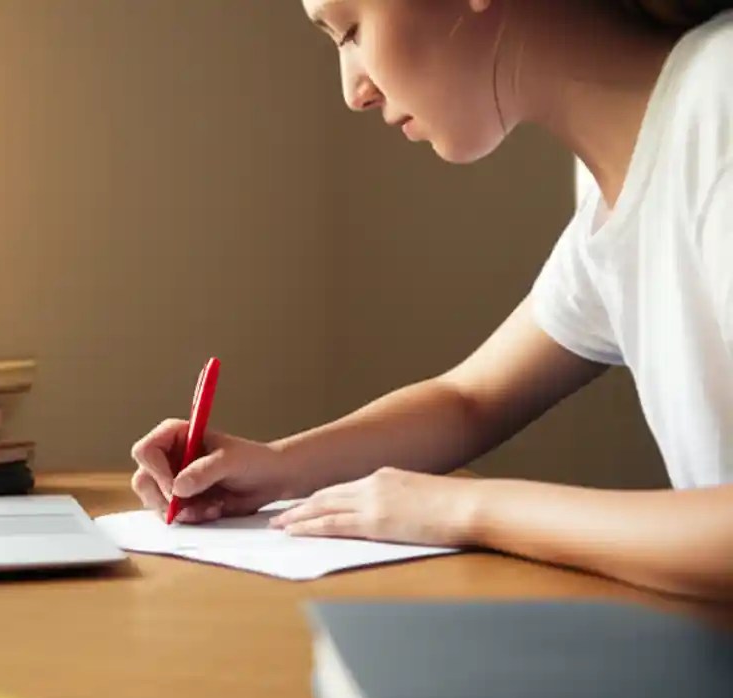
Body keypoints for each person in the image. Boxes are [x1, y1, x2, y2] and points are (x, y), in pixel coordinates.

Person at [129, 0, 733, 601]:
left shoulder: (719, 102)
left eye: (352, 31)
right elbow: (471, 399)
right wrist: (277, 467)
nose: (353, 91)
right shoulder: (620, 190)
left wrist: (472, 508)